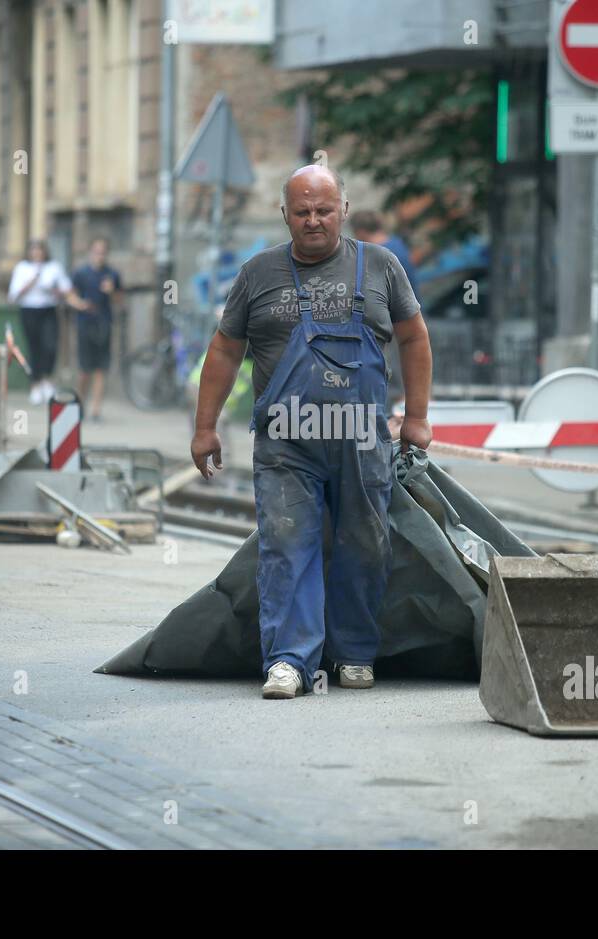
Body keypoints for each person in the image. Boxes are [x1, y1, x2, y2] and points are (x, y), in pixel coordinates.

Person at [190, 165, 433, 700]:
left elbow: (414, 338)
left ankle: (354, 652)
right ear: (285, 215)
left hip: (362, 439)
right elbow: (225, 350)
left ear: (343, 210)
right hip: (286, 442)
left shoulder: (382, 268)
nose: (313, 220)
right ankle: (289, 661)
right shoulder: (257, 274)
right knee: (286, 541)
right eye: (302, 211)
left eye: (324, 209)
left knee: (364, 542)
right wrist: (205, 427)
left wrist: (416, 416)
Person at [350, 211, 420, 410]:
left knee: (396, 378)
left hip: (392, 324)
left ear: (361, 231)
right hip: (408, 318)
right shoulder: (397, 245)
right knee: (407, 373)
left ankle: (397, 421)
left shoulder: (376, 254)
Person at [8, 239, 72, 405]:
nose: (37, 254)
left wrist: (55, 290)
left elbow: (66, 288)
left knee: (50, 346)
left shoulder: (53, 267)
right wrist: (30, 284)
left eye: (40, 250)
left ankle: (47, 380)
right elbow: (13, 294)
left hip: (48, 308)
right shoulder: (22, 268)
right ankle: (35, 384)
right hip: (29, 309)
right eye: (34, 250)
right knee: (34, 347)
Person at [68, 237, 122, 422]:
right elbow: (70, 295)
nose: (100, 255)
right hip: (85, 323)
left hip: (104, 323)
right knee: (85, 369)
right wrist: (80, 304)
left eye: (103, 252)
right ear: (91, 252)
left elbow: (119, 301)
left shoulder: (112, 274)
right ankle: (80, 404)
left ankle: (96, 410)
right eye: (97, 251)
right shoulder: (81, 273)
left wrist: (112, 291)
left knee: (101, 368)